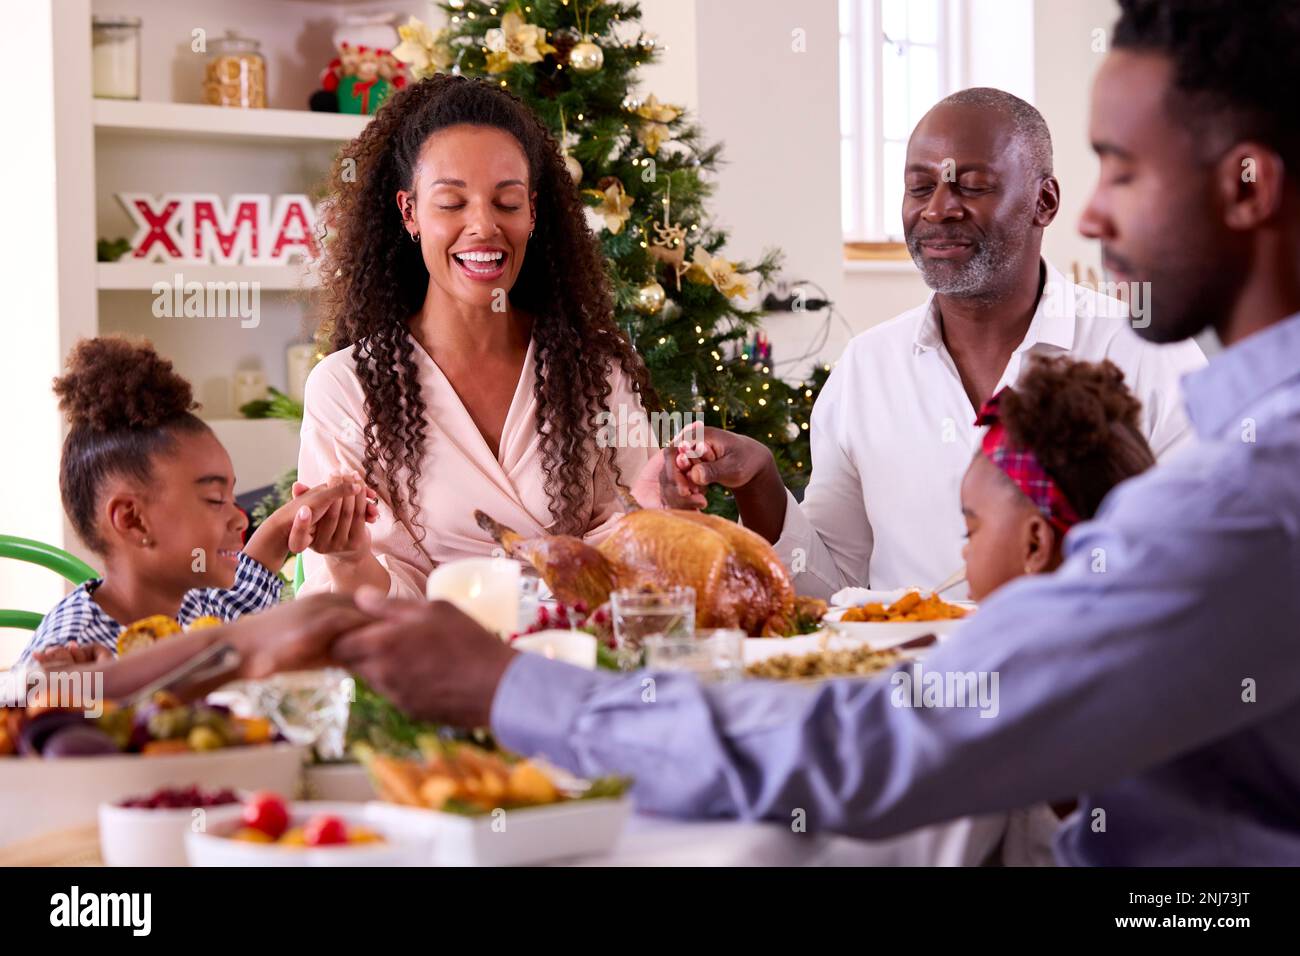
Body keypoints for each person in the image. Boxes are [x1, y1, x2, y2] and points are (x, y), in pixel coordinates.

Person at [319, 0, 1300, 866]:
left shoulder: (1246, 497)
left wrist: (513, 688)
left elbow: (879, 744)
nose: (1095, 209)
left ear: (1247, 185)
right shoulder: (872, 369)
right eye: (918, 183)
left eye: (1122, 170)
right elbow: (822, 584)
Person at [661, 87, 1205, 601]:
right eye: (920, 187)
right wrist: (761, 482)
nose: (938, 209)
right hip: (903, 689)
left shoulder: (1146, 352)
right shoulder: (867, 368)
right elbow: (832, 591)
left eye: (971, 185)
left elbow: (1201, 561)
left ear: (1044, 201)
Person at [297, 74, 662, 599]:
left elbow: (641, 537)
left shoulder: (592, 370)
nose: (484, 226)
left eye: (507, 203)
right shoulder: (345, 387)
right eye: (452, 203)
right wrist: (351, 558)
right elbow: (351, 600)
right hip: (428, 670)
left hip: (576, 661)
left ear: (533, 212)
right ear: (410, 212)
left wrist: (659, 508)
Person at [16, 337, 367, 666]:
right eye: (215, 500)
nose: (241, 518)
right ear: (133, 520)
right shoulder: (68, 654)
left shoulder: (191, 602)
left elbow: (242, 593)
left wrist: (295, 520)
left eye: (231, 496)